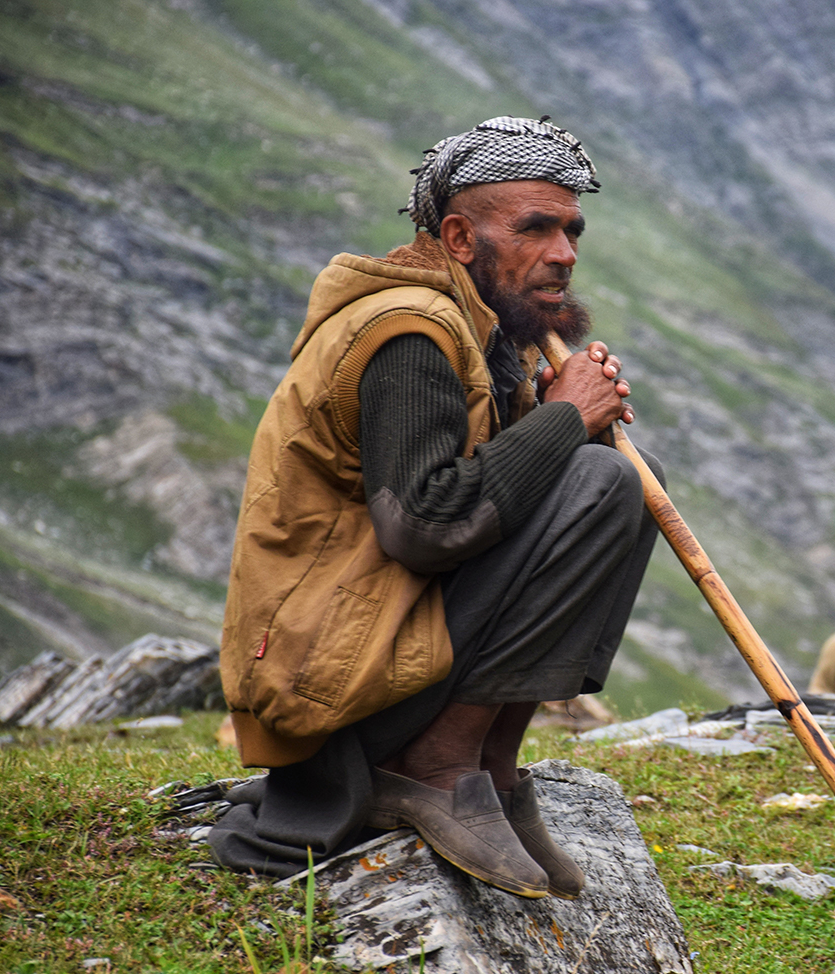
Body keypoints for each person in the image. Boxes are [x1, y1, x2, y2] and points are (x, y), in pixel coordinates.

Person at [209, 117, 662, 901]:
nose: (565, 255)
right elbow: (424, 529)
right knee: (600, 481)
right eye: (537, 229)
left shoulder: (483, 332)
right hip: (331, 692)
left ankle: (491, 768)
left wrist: (548, 413)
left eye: (572, 231)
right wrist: (563, 423)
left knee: (624, 473)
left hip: (386, 656)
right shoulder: (408, 333)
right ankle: (434, 768)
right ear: (458, 236)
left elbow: (504, 500)